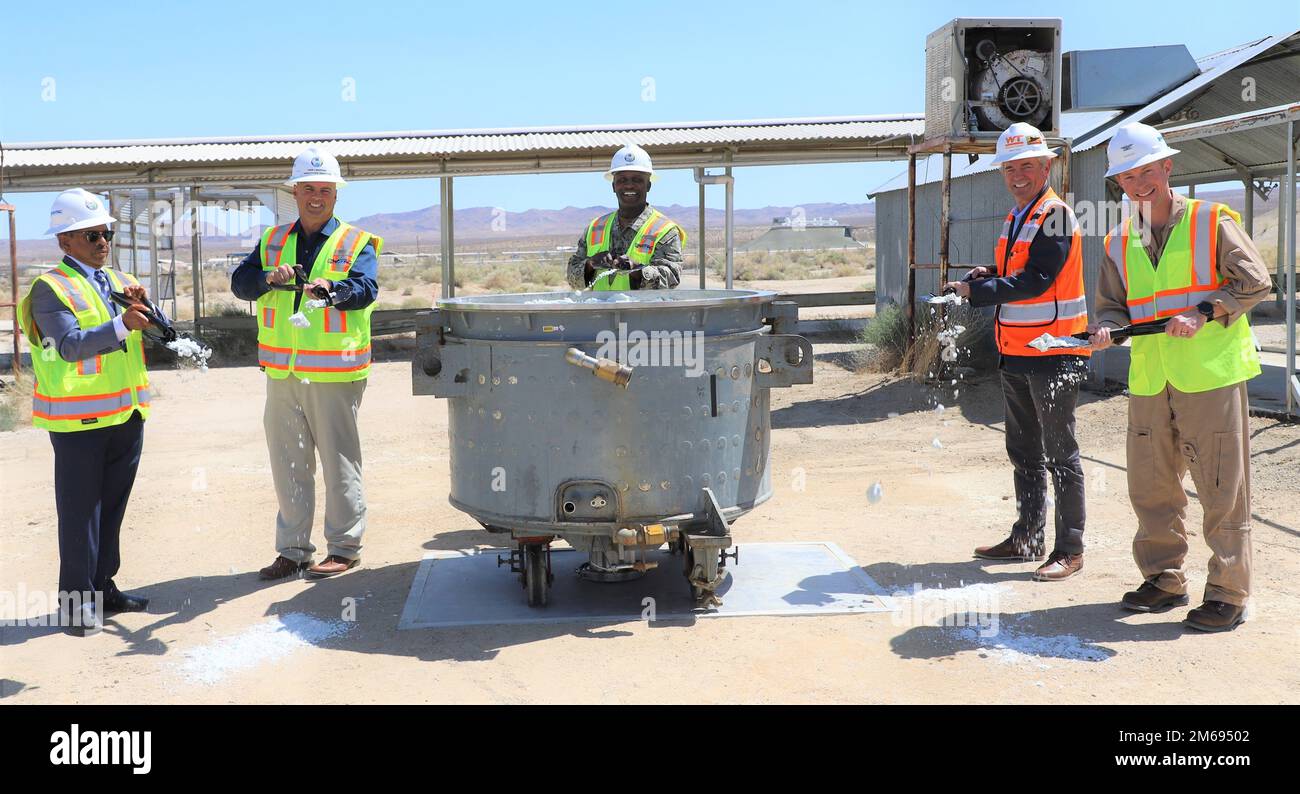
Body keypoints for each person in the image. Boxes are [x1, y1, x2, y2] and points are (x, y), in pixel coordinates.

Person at [1089, 122, 1269, 632]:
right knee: (1151, 486)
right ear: (1118, 184)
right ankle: (1164, 578)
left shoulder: (1212, 221)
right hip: (1150, 377)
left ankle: (1229, 592)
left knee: (1220, 486)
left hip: (1209, 375)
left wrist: (1205, 311)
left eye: (1146, 170)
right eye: (1127, 176)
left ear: (1168, 167)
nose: (1138, 182)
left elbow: (1255, 282)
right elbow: (1111, 308)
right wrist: (1105, 330)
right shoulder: (1118, 241)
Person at [943, 122, 1089, 582]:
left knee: (1059, 454)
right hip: (1019, 350)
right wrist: (989, 273)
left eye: (1027, 165)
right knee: (1023, 451)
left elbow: (1037, 280)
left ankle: (1070, 549)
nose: (1018, 174)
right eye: (1010, 167)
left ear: (1046, 166)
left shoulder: (1055, 215)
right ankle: (1027, 538)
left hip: (1055, 350)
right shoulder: (1018, 216)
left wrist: (975, 293)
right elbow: (1019, 269)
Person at [230, 147, 382, 581]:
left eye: (325, 190)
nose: (317, 197)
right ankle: (293, 550)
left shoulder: (356, 242)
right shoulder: (273, 240)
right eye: (309, 189)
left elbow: (367, 289)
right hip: (282, 373)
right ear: (294, 192)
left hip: (335, 372)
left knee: (339, 462)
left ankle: (345, 548)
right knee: (288, 463)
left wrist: (332, 290)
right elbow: (241, 285)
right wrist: (266, 278)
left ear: (336, 195)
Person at [18, 188, 155, 635]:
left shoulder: (117, 281)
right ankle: (77, 603)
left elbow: (157, 334)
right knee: (81, 513)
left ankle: (103, 588)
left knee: (112, 509)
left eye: (105, 233)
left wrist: (145, 307)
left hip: (125, 415)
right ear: (64, 243)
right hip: (78, 421)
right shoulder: (49, 289)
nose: (102, 242)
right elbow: (71, 345)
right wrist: (121, 324)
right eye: (90, 235)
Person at [566, 145, 685, 290]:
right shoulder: (595, 228)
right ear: (613, 186)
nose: (629, 185)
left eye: (637, 180)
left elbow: (672, 277)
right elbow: (572, 277)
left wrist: (638, 270)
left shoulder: (664, 231)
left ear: (648, 185)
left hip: (643, 312)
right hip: (600, 312)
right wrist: (590, 264)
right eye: (622, 180)